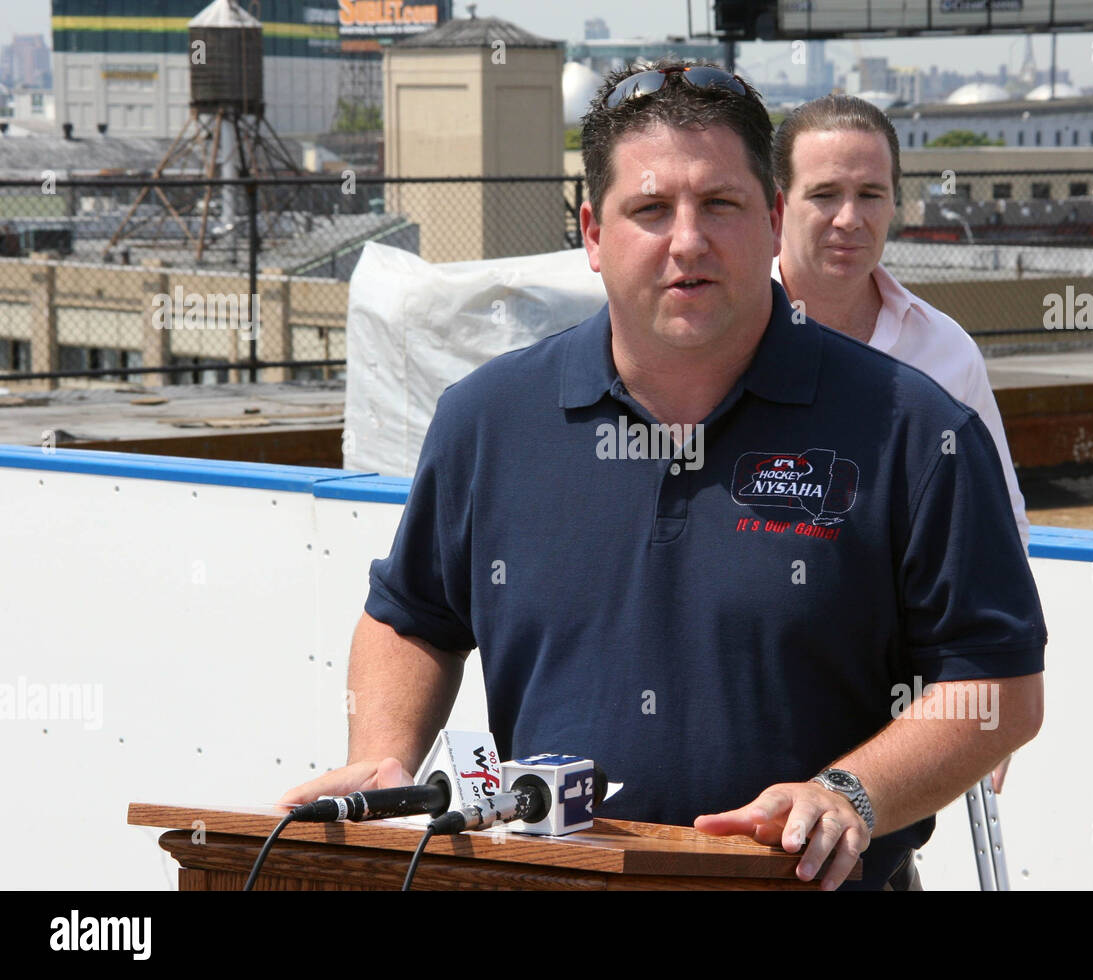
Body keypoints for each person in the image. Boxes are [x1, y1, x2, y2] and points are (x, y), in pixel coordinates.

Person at [281, 61, 1046, 891]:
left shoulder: (915, 427)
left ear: (772, 218)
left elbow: (999, 682)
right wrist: (384, 758)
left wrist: (851, 794)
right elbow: (413, 620)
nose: (688, 241)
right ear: (593, 235)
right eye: (650, 209)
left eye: (720, 204)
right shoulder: (487, 421)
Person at [775, 95, 1031, 793]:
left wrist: (990, 688)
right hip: (766, 681)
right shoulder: (724, 339)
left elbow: (1000, 528)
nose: (849, 218)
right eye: (824, 194)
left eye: (871, 195)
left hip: (901, 692)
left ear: (896, 206)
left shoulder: (946, 352)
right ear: (778, 205)